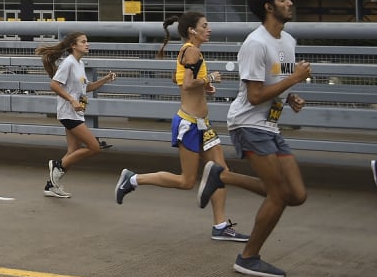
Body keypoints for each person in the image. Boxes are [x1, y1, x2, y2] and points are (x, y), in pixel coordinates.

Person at [115, 12, 263, 242]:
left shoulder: (188, 50)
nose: (209, 29)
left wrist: (204, 87)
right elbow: (186, 85)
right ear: (193, 30)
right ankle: (133, 179)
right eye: (205, 26)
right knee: (186, 181)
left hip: (203, 124)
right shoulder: (191, 50)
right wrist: (209, 79)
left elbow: (178, 79)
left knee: (221, 172)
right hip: (190, 124)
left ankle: (221, 225)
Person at [217, 0, 311, 277]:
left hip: (271, 124)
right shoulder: (255, 44)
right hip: (248, 123)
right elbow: (255, 95)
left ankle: (220, 176)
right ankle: (248, 257)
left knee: (296, 194)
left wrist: (289, 95)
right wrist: (294, 79)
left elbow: (276, 81)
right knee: (278, 194)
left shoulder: (288, 41)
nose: (290, 2)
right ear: (269, 8)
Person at [38, 31, 117, 198]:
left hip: (77, 113)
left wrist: (106, 79)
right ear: (73, 46)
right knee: (94, 147)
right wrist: (72, 101)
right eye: (83, 42)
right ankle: (57, 166)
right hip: (68, 113)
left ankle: (51, 186)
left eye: (87, 41)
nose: (87, 44)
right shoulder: (68, 63)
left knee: (73, 151)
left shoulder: (79, 64)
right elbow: (54, 85)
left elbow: (86, 88)